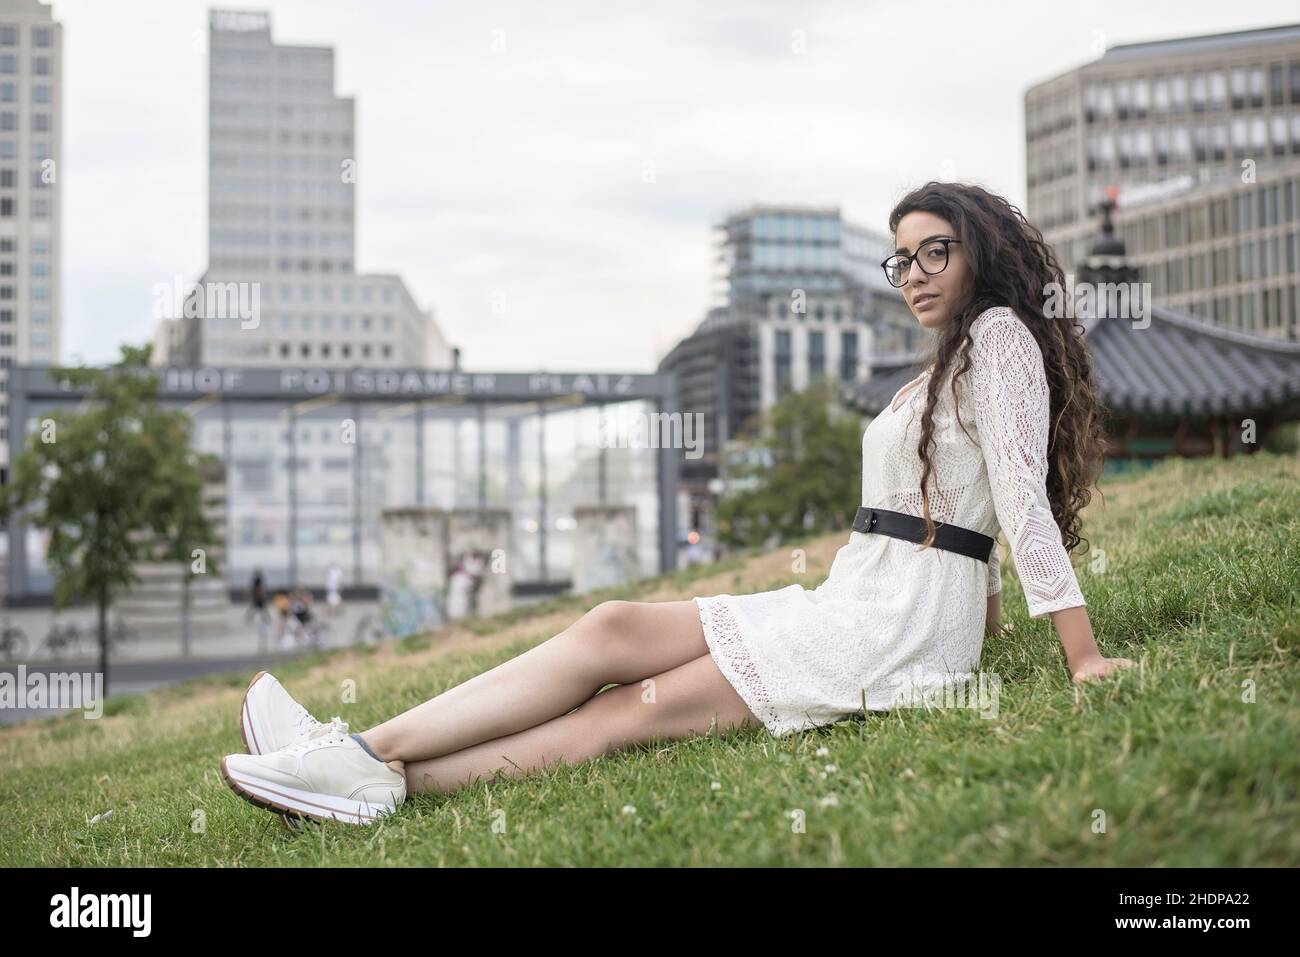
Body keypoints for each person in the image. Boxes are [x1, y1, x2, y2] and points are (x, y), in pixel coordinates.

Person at [219, 182, 1136, 827]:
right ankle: (361, 753)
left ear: (979, 248)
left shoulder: (1003, 337)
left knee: (632, 709)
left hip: (891, 625)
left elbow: (1017, 499)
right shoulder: (947, 362)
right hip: (863, 602)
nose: (917, 272)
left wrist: (1080, 655)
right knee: (614, 625)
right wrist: (983, 623)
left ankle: (376, 776)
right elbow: (959, 509)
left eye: (937, 249)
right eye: (902, 260)